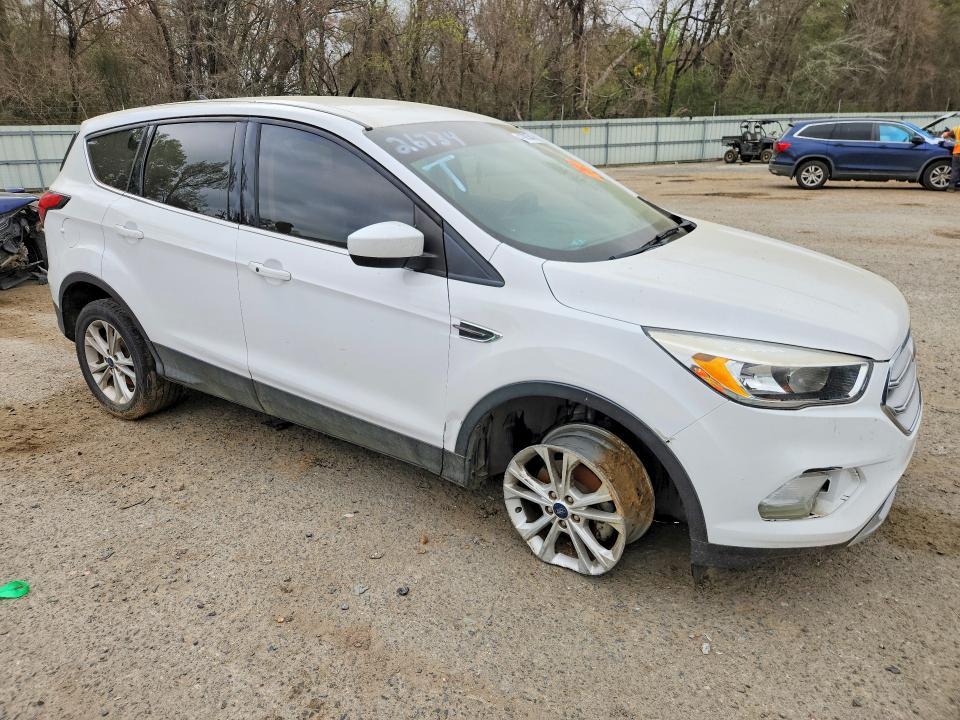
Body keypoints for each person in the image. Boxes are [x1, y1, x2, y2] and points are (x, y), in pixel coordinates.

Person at [943, 124, 960, 192]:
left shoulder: (957, 128)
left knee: (955, 171)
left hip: (957, 153)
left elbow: (945, 135)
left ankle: (951, 188)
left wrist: (945, 133)